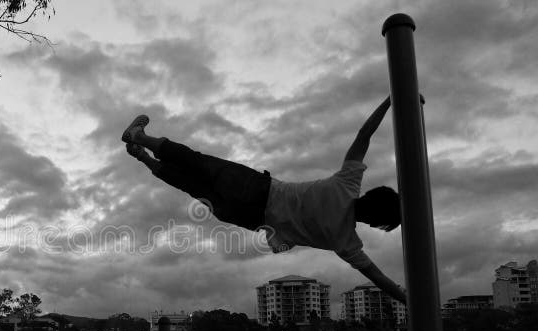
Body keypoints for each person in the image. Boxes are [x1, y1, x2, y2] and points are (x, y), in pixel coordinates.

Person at [122, 97, 407, 304]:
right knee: (192, 187)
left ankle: (141, 138)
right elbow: (380, 279)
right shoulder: (346, 243)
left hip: (257, 190)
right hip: (248, 218)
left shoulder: (347, 184)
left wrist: (391, 100)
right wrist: (410, 301)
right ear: (374, 223)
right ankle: (142, 157)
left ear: (372, 194)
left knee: (196, 163)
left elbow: (364, 135)